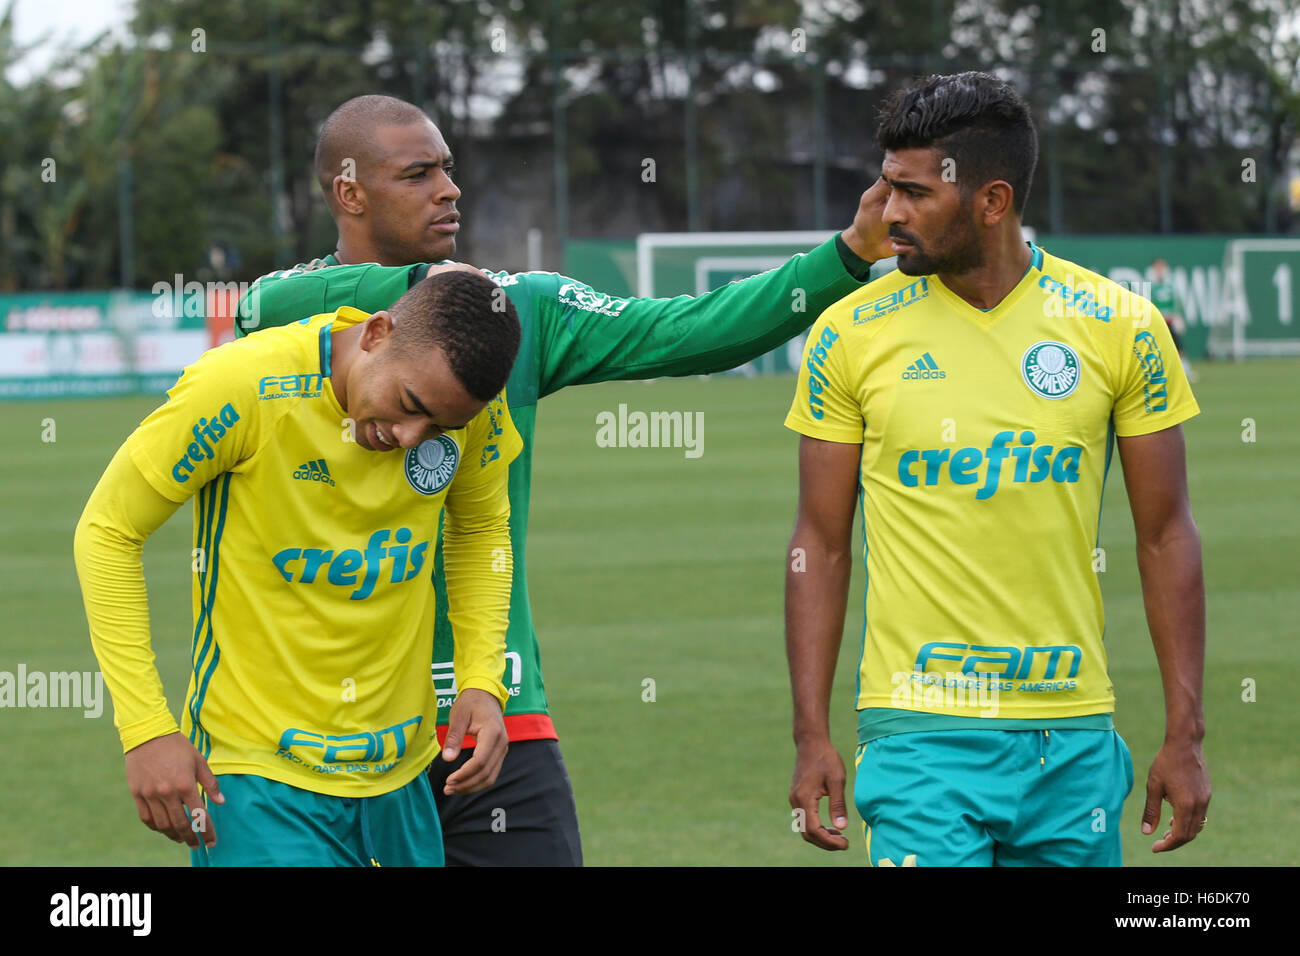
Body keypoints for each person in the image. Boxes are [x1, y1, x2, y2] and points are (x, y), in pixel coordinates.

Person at [233, 94, 898, 866]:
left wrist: (848, 253)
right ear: (348, 192)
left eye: (449, 169)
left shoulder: (517, 311)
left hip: (496, 715)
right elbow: (256, 304)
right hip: (331, 730)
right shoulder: (290, 313)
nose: (449, 189)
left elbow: (697, 330)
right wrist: (428, 282)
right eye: (419, 174)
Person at [784, 72, 1210, 866]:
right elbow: (821, 542)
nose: (890, 215)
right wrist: (812, 735)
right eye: (886, 188)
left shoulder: (1120, 326)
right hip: (917, 733)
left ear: (992, 200)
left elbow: (1166, 535)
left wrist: (1184, 733)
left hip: (1073, 736)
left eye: (913, 194)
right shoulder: (850, 334)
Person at [73, 269, 523, 866]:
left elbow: (480, 529)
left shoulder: (465, 409)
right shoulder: (243, 386)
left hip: (400, 778)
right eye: (410, 405)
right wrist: (147, 729)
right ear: (377, 333)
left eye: (441, 426)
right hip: (256, 778)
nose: (415, 436)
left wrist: (481, 680)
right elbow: (107, 532)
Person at [1149, 257, 1197, 382]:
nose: (1160, 270)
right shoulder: (1150, 285)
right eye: (1158, 267)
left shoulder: (1169, 285)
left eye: (1162, 267)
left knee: (1178, 345)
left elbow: (1175, 303)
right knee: (1156, 347)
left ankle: (1185, 370)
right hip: (1158, 321)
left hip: (1169, 321)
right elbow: (1150, 303)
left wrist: (1177, 316)